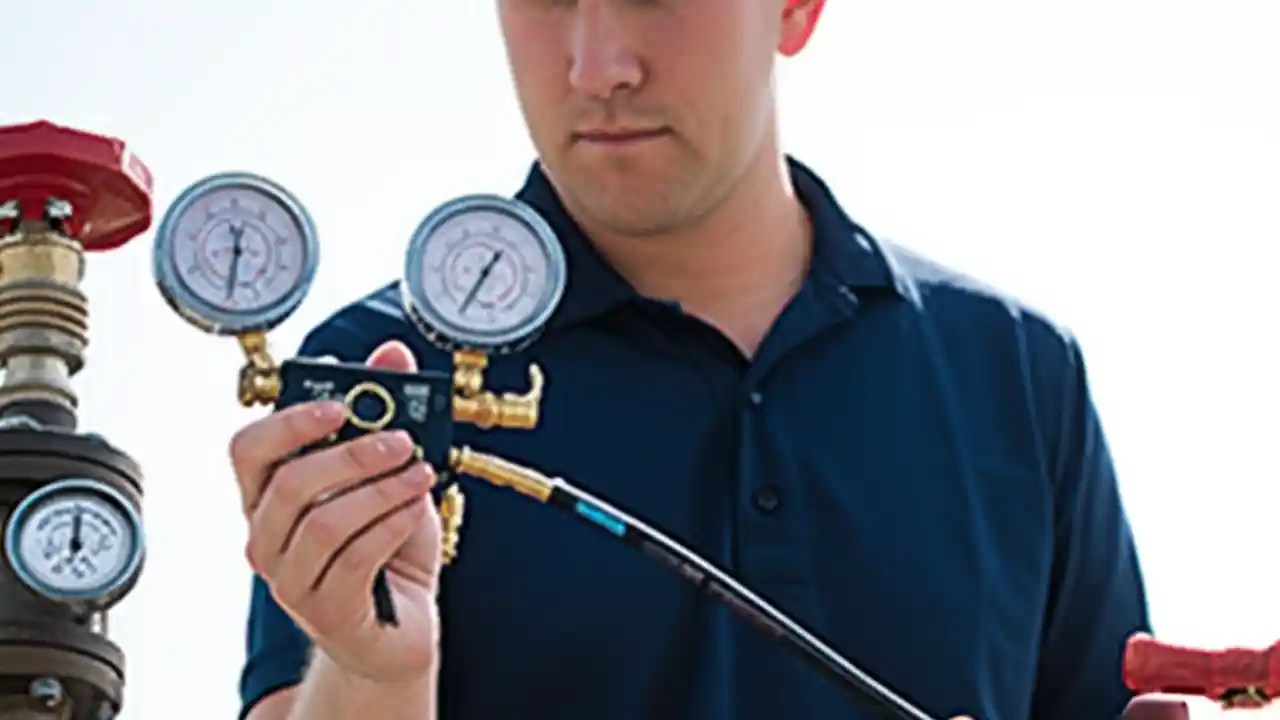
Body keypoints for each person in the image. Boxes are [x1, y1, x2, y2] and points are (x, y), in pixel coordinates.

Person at [230, 1, 1154, 719]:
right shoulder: (379, 375)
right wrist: (369, 674)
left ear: (796, 8)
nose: (597, 70)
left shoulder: (1018, 374)